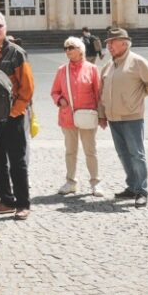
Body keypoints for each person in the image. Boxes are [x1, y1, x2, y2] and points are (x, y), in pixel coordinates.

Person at [98, 28, 148, 204]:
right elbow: (101, 91)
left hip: (131, 116)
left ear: (124, 43)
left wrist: (136, 98)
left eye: (112, 42)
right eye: (108, 43)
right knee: (123, 154)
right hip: (113, 118)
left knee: (136, 154)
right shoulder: (109, 65)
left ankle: (142, 191)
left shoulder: (137, 62)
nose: (109, 46)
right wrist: (102, 115)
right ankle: (132, 186)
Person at [0, 13, 35, 219]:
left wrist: (17, 110)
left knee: (17, 161)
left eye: (0, 25)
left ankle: (23, 203)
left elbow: (27, 86)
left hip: (14, 115)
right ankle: (6, 200)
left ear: (5, 28)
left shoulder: (16, 52)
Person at [50, 37, 102, 197]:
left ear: (80, 50)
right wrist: (60, 100)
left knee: (90, 151)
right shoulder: (61, 70)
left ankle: (95, 183)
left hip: (87, 116)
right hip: (68, 117)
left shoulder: (92, 69)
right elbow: (54, 91)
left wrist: (101, 115)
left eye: (71, 47)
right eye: (65, 48)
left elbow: (98, 93)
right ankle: (71, 182)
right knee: (70, 151)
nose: (67, 51)